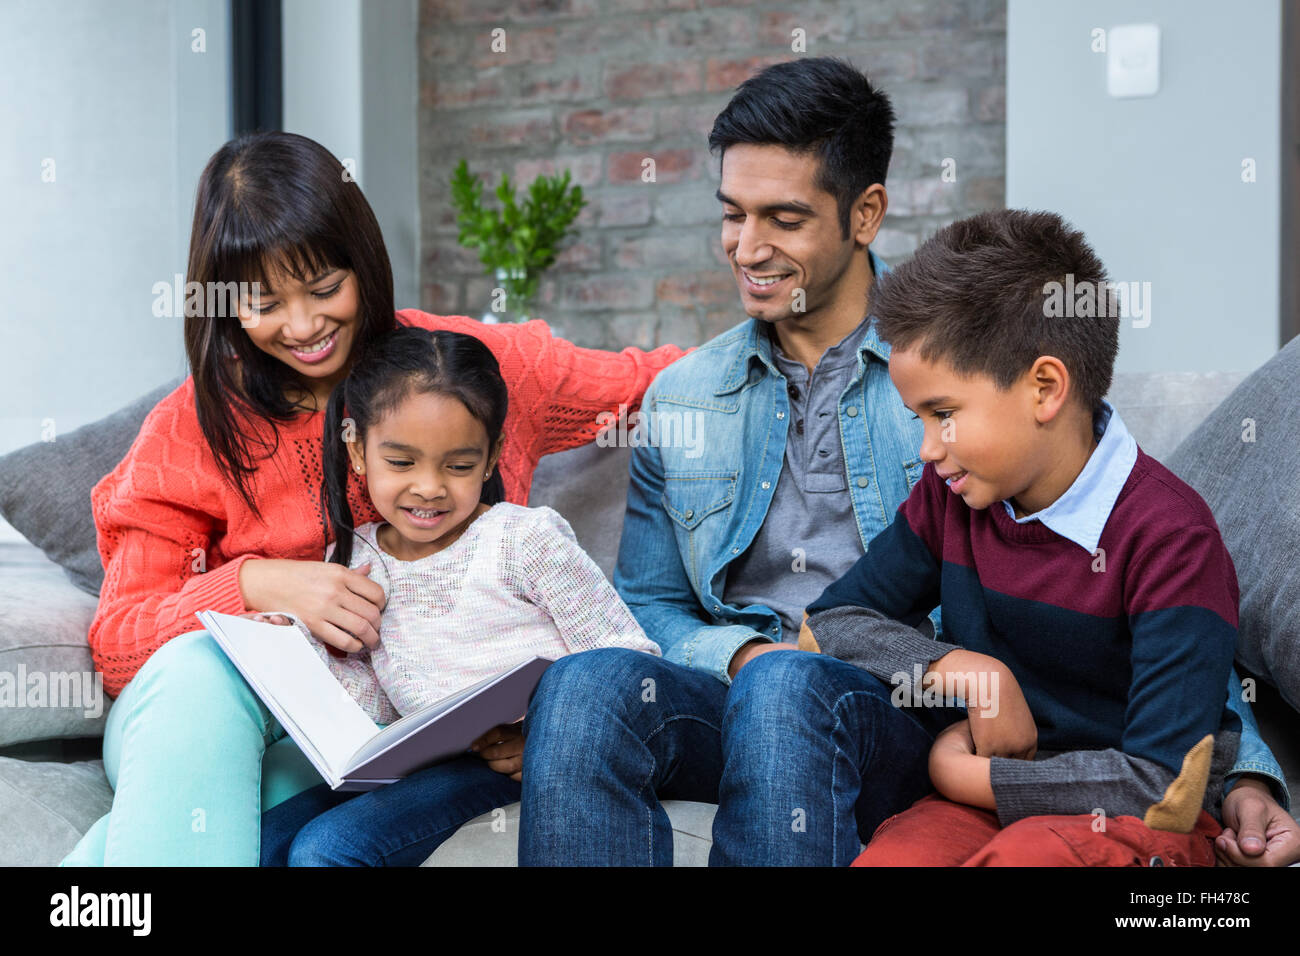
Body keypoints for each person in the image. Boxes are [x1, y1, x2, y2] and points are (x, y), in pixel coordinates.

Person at [516, 55, 1293, 866]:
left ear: (865, 213)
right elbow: (646, 609)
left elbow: (1160, 630)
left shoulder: (956, 363)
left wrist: (1239, 776)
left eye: (782, 218)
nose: (747, 248)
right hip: (739, 695)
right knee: (585, 687)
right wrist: (751, 657)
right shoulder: (682, 399)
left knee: (792, 693)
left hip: (895, 719)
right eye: (731, 215)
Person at [59, 131, 685, 866]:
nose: (303, 326)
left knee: (215, 830)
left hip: (355, 729)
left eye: (325, 289)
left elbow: (660, 383)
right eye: (264, 303)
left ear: (364, 261)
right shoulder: (191, 428)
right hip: (202, 710)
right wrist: (258, 580)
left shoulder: (459, 369)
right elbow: (122, 643)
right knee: (200, 671)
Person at [800, 209, 1240, 866]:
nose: (925, 449)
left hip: (1135, 821)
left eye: (943, 414)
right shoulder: (950, 502)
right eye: (917, 418)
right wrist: (971, 673)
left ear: (1044, 388)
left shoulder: (1171, 538)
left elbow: (1163, 788)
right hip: (982, 806)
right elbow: (830, 622)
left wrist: (966, 776)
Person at [251, 326, 660, 866]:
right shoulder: (353, 558)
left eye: (459, 466)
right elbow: (375, 697)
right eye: (401, 463)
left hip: (515, 762)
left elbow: (631, 663)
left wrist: (544, 738)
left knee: (328, 850)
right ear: (357, 451)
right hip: (418, 762)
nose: (429, 487)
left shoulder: (523, 540)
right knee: (259, 844)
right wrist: (295, 652)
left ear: (490, 460)